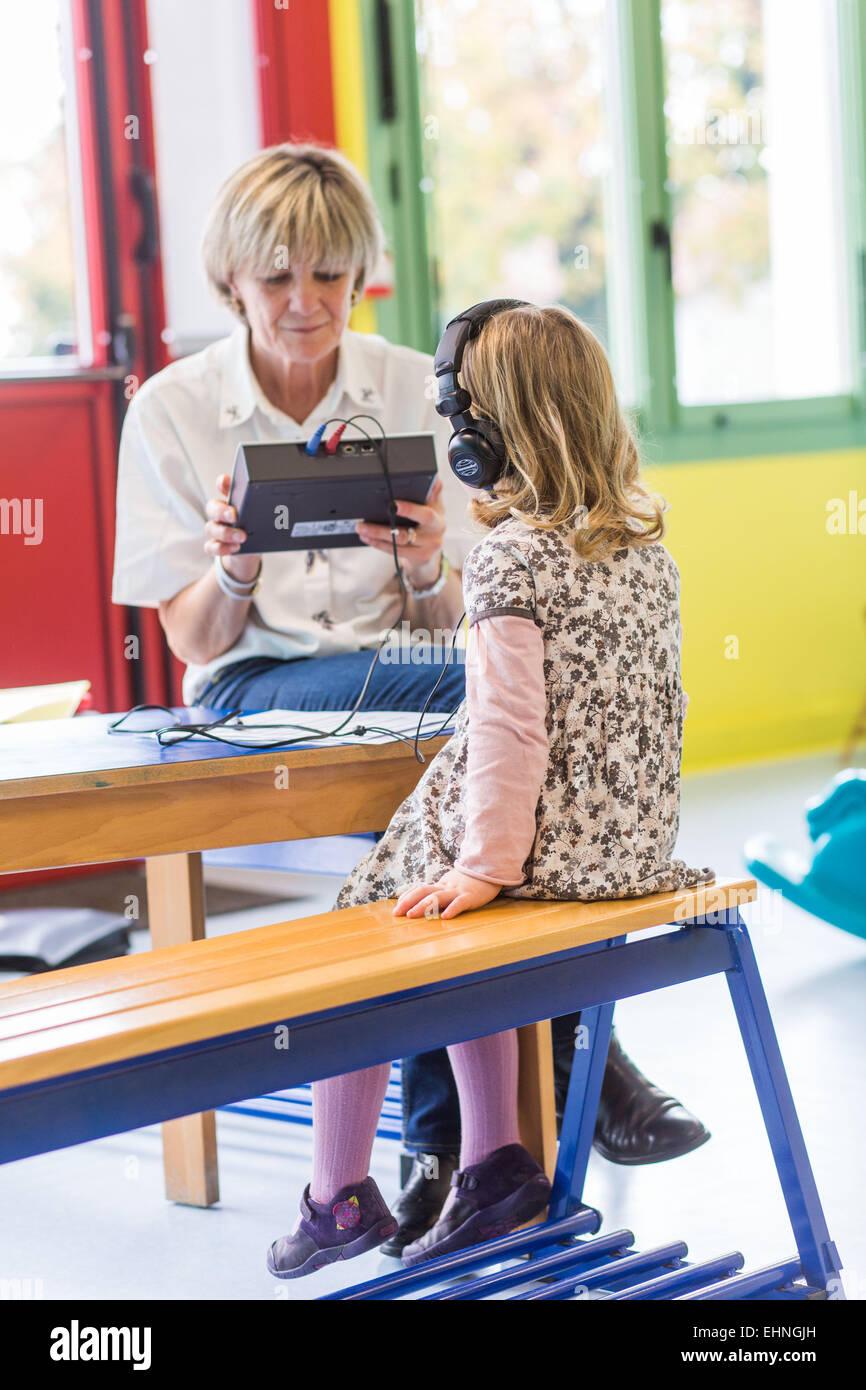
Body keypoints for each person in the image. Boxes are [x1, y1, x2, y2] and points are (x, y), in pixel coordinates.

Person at [110, 143, 708, 1237]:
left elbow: (480, 623)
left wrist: (430, 563)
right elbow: (188, 640)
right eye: (279, 276)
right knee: (488, 735)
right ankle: (561, 1061)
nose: (306, 304)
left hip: (421, 667)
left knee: (480, 741)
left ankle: (447, 1148)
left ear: (360, 276)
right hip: (260, 681)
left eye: (330, 277)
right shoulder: (172, 407)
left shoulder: (413, 381)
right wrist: (234, 564)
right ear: (230, 280)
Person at [266, 301, 714, 1278]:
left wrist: (484, 863)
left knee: (365, 929)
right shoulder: (648, 552)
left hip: (536, 848)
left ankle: (335, 1193)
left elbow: (511, 730)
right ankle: (490, 1161)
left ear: (482, 438)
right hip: (630, 849)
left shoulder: (511, 558)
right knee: (461, 932)